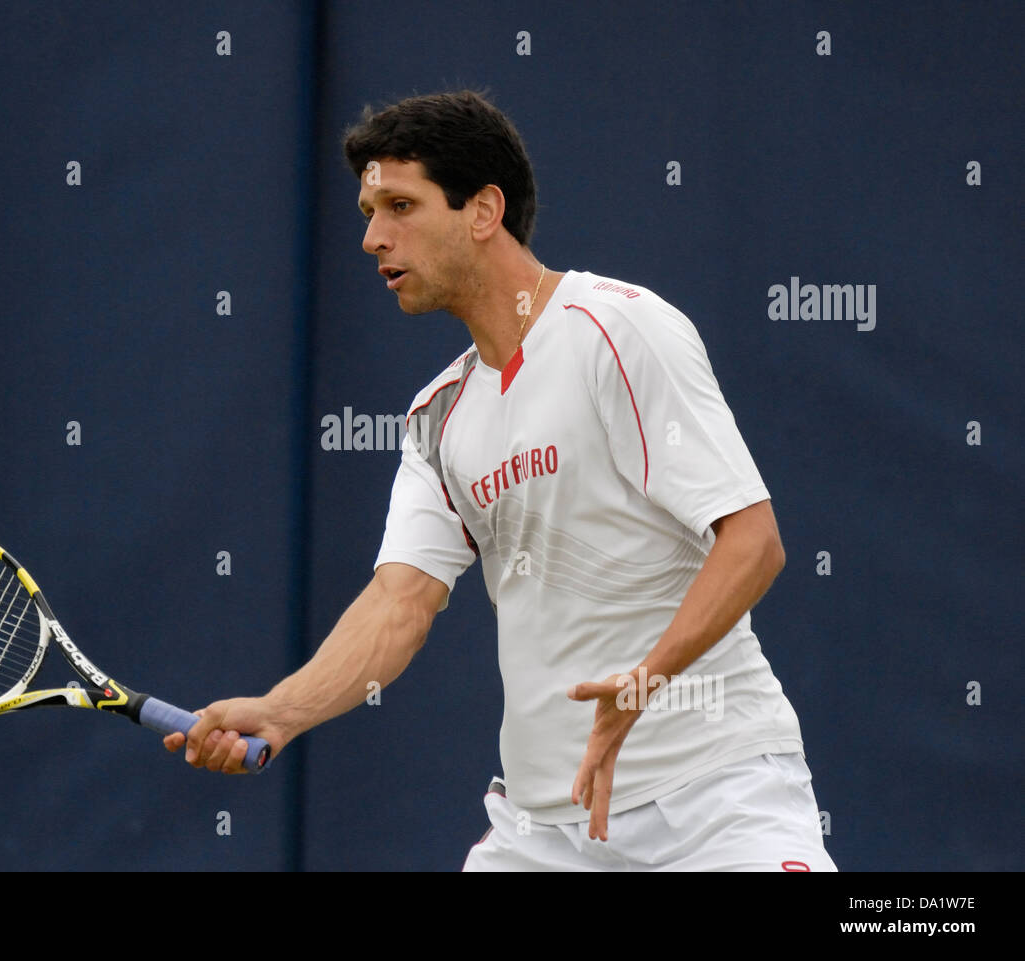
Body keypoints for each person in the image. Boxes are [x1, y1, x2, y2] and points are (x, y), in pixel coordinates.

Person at [164, 90, 836, 872]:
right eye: (367, 210)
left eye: (400, 205)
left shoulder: (619, 330)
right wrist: (280, 711)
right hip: (543, 833)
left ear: (484, 209)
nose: (372, 237)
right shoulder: (437, 417)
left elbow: (754, 542)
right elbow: (400, 603)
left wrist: (646, 680)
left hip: (717, 805)